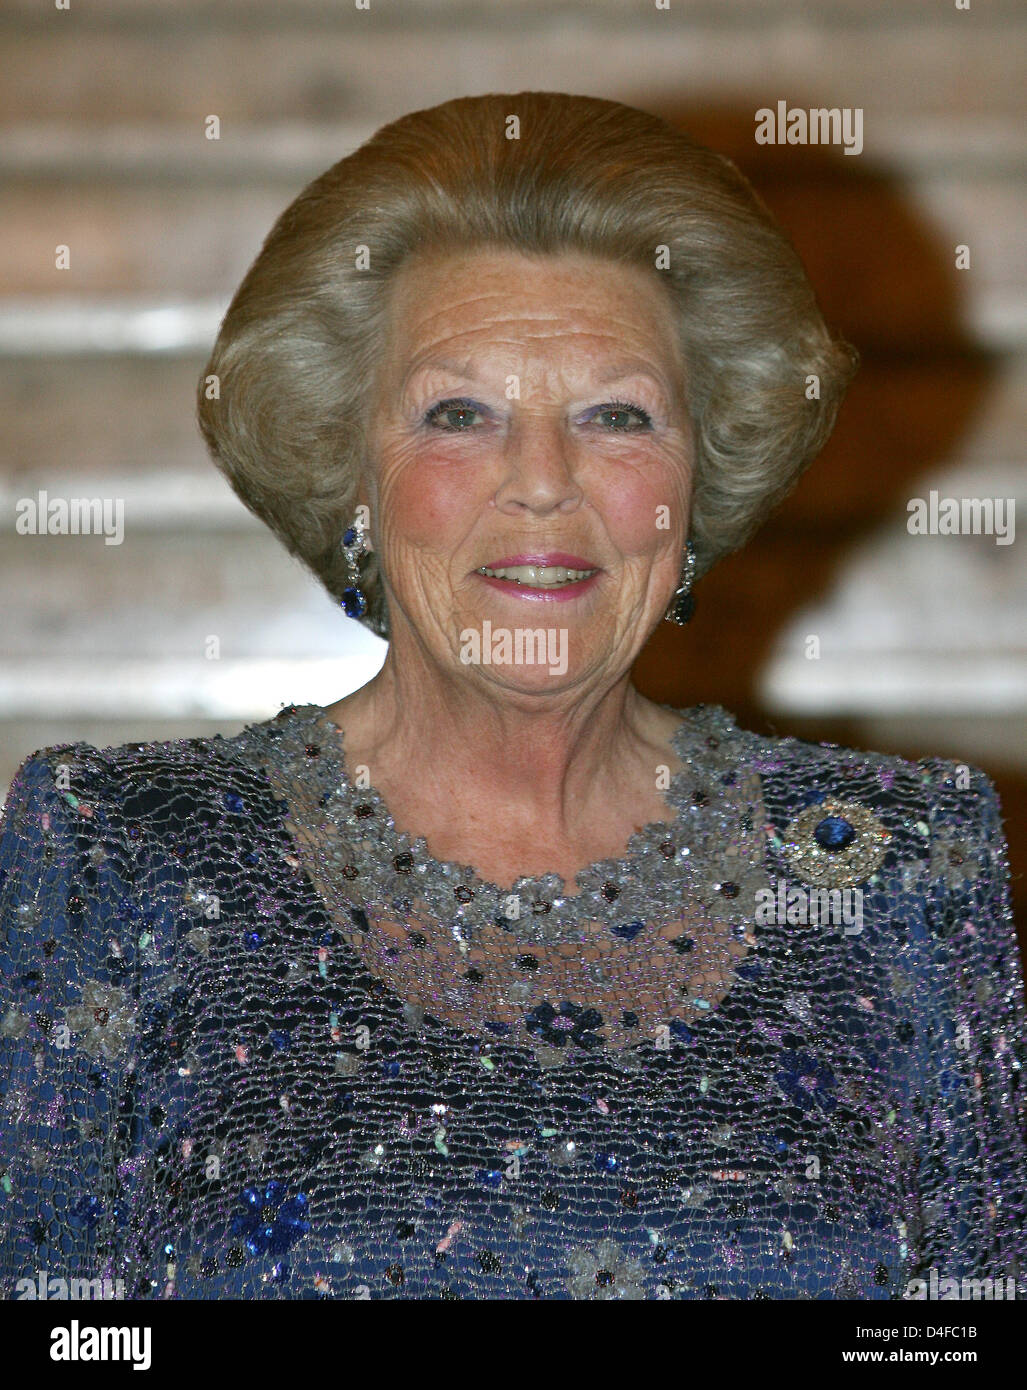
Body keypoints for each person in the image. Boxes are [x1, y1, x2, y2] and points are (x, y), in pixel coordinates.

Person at [1, 92, 1024, 1301]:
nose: (542, 483)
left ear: (696, 481)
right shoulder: (124, 851)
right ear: (354, 478)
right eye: (459, 414)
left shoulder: (894, 866)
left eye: (615, 415)